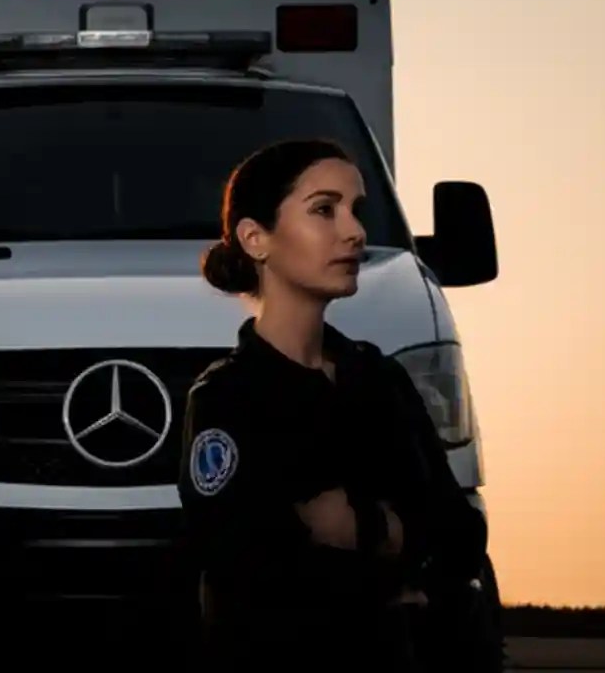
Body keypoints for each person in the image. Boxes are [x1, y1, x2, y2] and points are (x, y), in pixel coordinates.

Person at [177, 139, 489, 670]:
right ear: (255, 238)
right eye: (324, 210)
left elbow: (462, 536)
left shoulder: (379, 379)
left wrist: (358, 529)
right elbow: (245, 568)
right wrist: (395, 569)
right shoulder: (226, 398)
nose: (355, 231)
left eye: (355, 209)